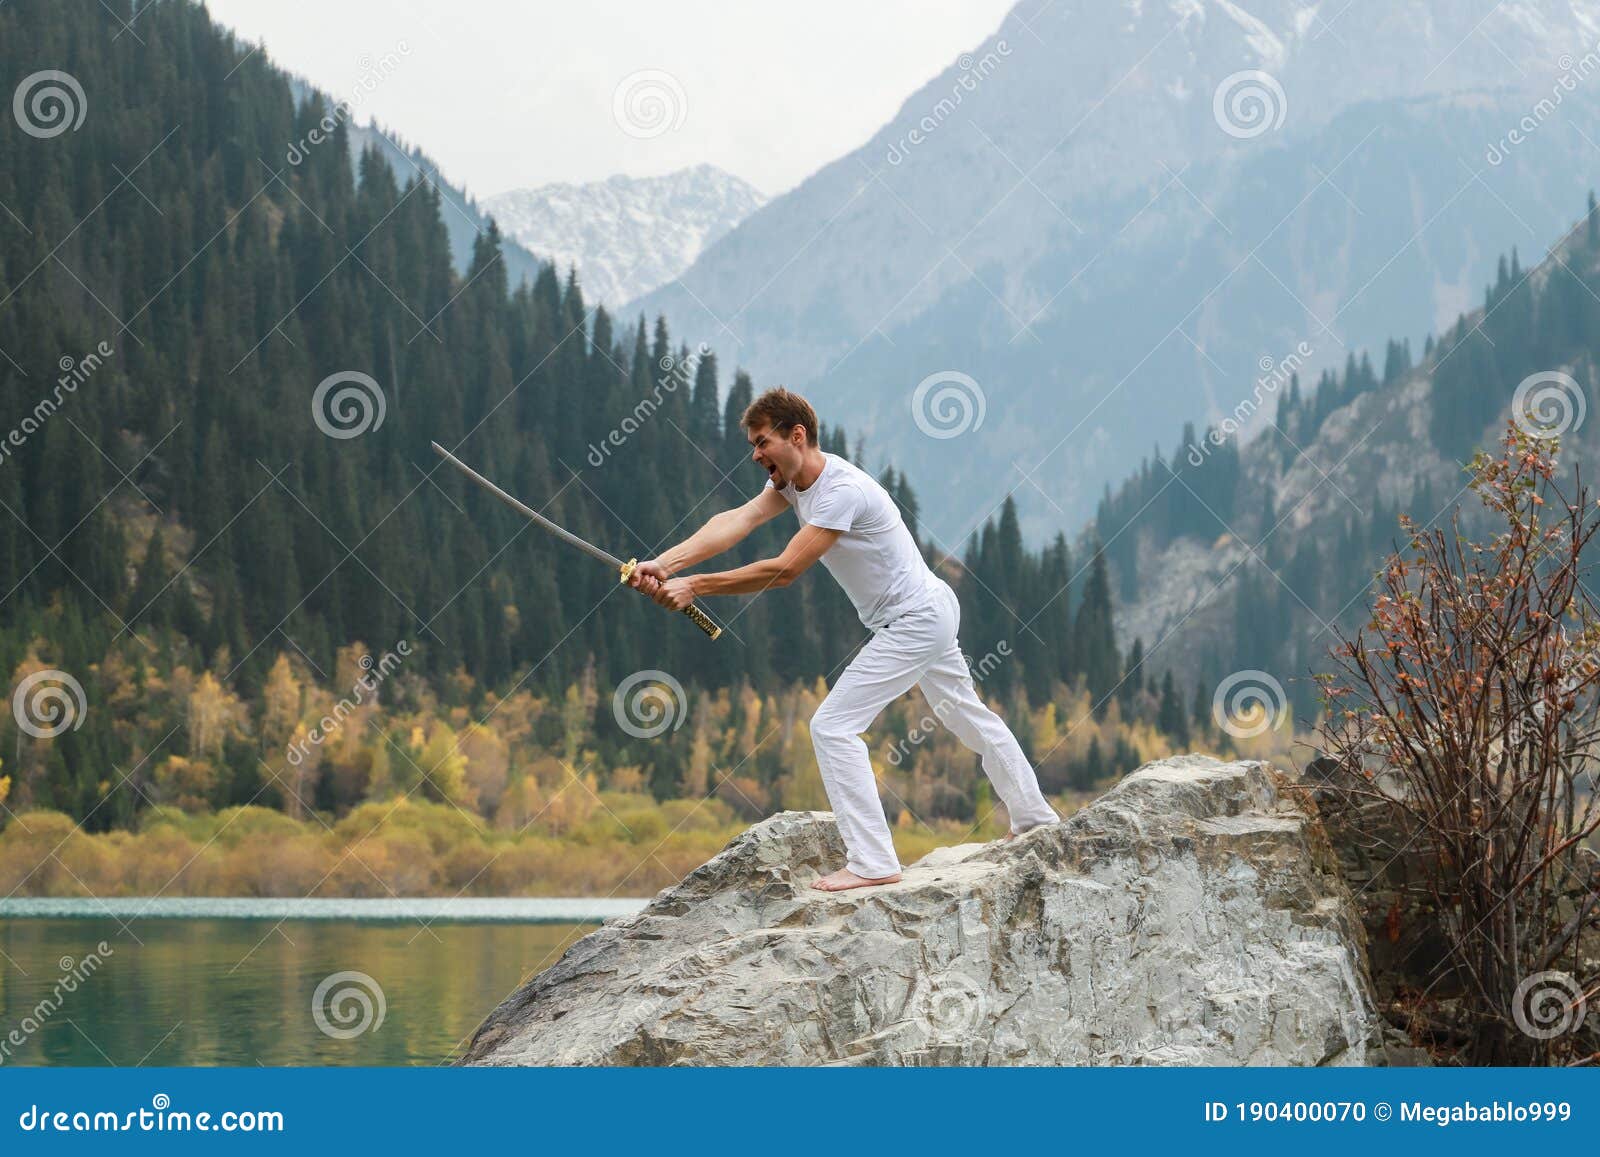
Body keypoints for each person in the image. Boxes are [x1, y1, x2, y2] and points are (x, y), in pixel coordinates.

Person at [628, 387, 1058, 891]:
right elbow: (736, 522)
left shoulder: (840, 491)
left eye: (762, 442)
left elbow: (786, 569)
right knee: (964, 712)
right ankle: (1035, 819)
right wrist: (667, 564)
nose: (755, 454)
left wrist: (695, 586)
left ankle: (873, 861)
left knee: (832, 727)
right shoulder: (792, 484)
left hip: (916, 617)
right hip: (927, 610)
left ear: (797, 435)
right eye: (752, 444)